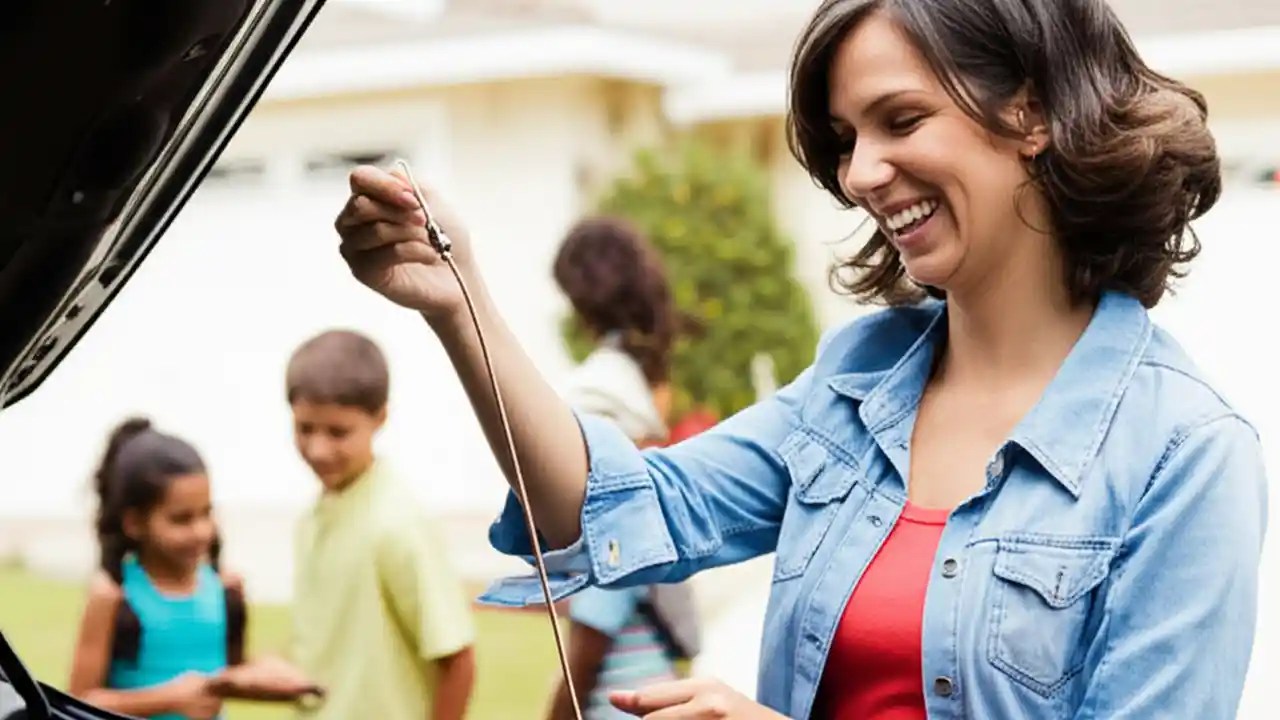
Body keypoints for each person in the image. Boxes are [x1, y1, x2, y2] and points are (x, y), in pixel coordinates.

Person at [331, 0, 1269, 716]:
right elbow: (620, 509)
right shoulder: (857, 386)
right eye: (848, 139)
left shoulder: (1182, 454)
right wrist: (459, 307)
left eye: (899, 121)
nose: (860, 173)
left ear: (1031, 114)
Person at [541, 217, 702, 720]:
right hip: (650, 676)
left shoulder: (596, 394)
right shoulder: (634, 383)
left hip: (619, 691)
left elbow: (607, 586)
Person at [69, 418, 318, 720]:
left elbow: (231, 672)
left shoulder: (226, 588)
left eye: (206, 512)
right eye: (181, 519)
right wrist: (167, 699)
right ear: (134, 523)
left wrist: (274, 676)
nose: (201, 531)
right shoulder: (113, 596)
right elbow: (79, 702)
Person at [285, 329, 476, 720]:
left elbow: (457, 661)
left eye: (338, 432)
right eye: (305, 428)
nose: (318, 449)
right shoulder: (314, 516)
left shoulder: (396, 522)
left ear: (380, 418)